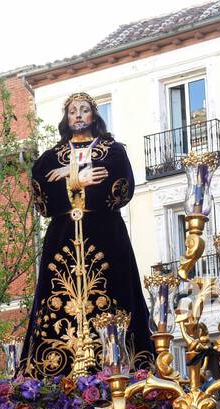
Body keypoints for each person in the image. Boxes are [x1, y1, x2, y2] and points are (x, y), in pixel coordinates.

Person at [20, 91, 152, 376]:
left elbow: (119, 186)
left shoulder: (113, 151)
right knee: (57, 301)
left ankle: (121, 364)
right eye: (72, 111)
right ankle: (53, 371)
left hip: (105, 236)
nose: (78, 115)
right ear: (66, 119)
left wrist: (67, 177)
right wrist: (78, 177)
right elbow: (42, 196)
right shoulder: (49, 158)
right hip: (63, 236)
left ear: (94, 115)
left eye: (84, 109)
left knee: (113, 294)